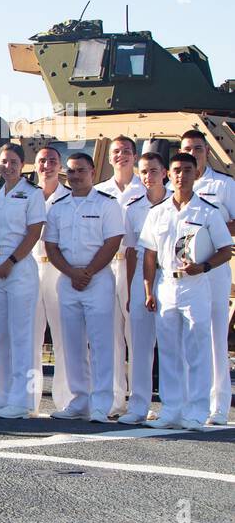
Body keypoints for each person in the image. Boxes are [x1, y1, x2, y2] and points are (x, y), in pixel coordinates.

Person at [141, 152, 233, 430]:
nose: (182, 175)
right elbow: (149, 254)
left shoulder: (207, 211)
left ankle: (196, 411)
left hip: (195, 286)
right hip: (166, 284)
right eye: (177, 170)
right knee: (168, 352)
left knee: (197, 350)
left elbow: (226, 250)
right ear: (169, 174)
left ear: (196, 174)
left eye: (188, 170)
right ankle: (171, 410)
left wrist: (203, 267)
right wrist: (148, 289)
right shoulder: (158, 212)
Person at [44, 152, 125, 422]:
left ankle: (102, 403)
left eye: (81, 170)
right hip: (67, 279)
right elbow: (51, 246)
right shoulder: (58, 206)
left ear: (92, 171)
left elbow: (112, 242)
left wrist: (88, 272)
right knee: (72, 345)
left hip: (98, 278)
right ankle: (79, 400)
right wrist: (71, 273)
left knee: (102, 343)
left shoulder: (107, 204)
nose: (76, 176)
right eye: (72, 171)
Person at [0, 142, 46, 419]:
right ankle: (3, 396)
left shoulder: (32, 194)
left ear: (22, 166)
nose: (7, 167)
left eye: (13, 162)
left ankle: (22, 401)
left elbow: (33, 233)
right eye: (3, 162)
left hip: (18, 270)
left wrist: (10, 262)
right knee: (1, 336)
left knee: (21, 337)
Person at [177, 130, 235, 425]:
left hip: (213, 268)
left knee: (214, 337)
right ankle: (189, 401)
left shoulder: (224, 185)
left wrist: (212, 228)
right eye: (187, 148)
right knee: (187, 337)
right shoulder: (173, 184)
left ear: (207, 152)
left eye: (198, 148)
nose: (194, 152)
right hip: (183, 275)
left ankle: (219, 405)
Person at [93, 136, 145, 415]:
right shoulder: (99, 191)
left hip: (134, 265)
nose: (121, 155)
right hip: (105, 266)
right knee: (109, 336)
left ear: (134, 156)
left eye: (126, 151)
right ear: (109, 157)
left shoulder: (147, 189)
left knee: (137, 336)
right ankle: (115, 399)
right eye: (116, 152)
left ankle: (140, 399)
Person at [118, 151, 170, 424]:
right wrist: (129, 290)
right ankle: (138, 405)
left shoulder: (178, 203)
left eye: (153, 170)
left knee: (174, 343)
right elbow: (129, 252)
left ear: (165, 173)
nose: (148, 176)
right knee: (140, 345)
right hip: (140, 276)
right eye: (144, 171)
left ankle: (176, 405)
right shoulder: (133, 206)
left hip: (171, 275)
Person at [31, 144, 72, 414]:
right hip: (30, 270)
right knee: (29, 339)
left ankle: (67, 400)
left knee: (64, 339)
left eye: (52, 161)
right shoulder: (25, 195)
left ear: (60, 166)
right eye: (42, 161)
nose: (47, 165)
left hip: (59, 271)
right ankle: (27, 400)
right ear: (35, 166)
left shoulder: (70, 197)